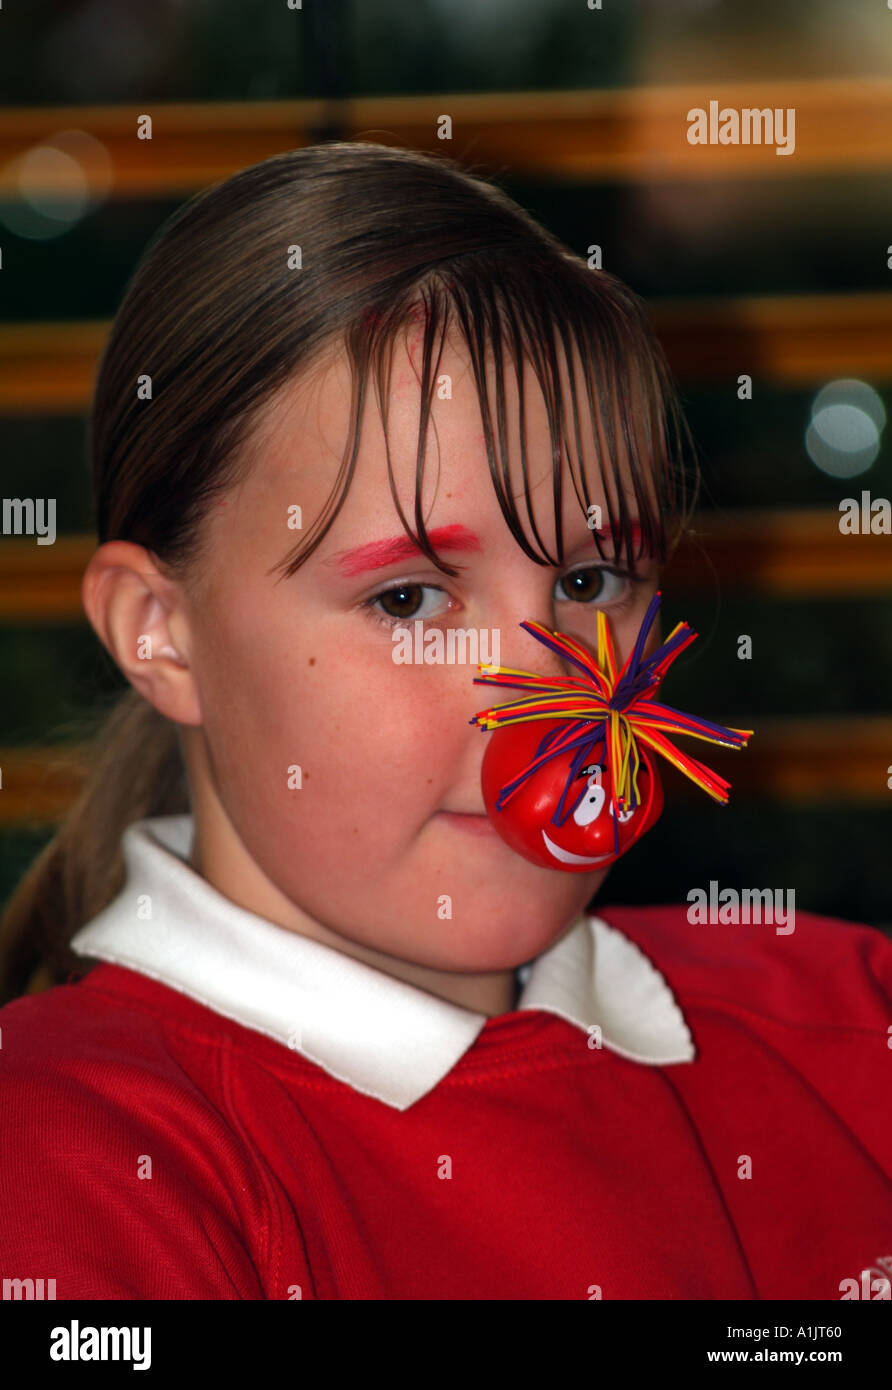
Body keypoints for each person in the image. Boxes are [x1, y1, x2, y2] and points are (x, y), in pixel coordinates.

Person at [0, 142, 889, 1301]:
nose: (555, 697)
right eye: (409, 598)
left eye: (587, 582)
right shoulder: (75, 1166)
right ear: (160, 631)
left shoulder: (843, 1019)